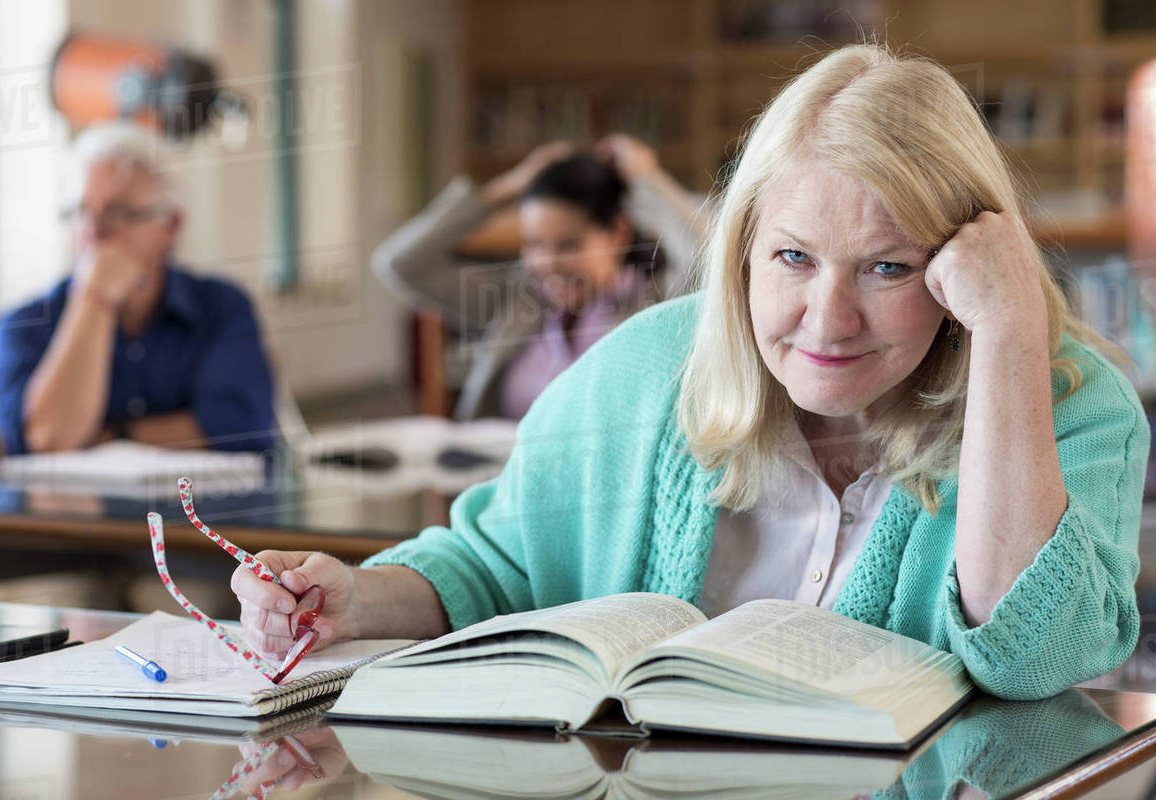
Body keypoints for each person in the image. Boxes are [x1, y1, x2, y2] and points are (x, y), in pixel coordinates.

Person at [234, 44, 1149, 700]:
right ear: (743, 251)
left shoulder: (1070, 402)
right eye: (793, 259)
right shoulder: (644, 368)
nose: (827, 321)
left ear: (960, 271)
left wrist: (1011, 336)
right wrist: (355, 597)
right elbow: (492, 564)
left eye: (887, 267)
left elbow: (1036, 659)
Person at [0, 122, 276, 455]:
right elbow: (51, 440)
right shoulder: (22, 325)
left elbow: (240, 425)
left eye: (118, 213)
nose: (94, 232)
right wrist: (95, 298)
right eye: (82, 212)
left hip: (193, 507)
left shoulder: (222, 306)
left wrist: (111, 437)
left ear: (171, 225)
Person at [372, 134, 708, 420]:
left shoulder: (659, 304)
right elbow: (401, 265)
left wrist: (649, 181)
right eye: (533, 244)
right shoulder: (514, 301)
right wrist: (505, 187)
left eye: (568, 245)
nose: (547, 263)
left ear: (618, 233)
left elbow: (713, 261)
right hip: (501, 485)